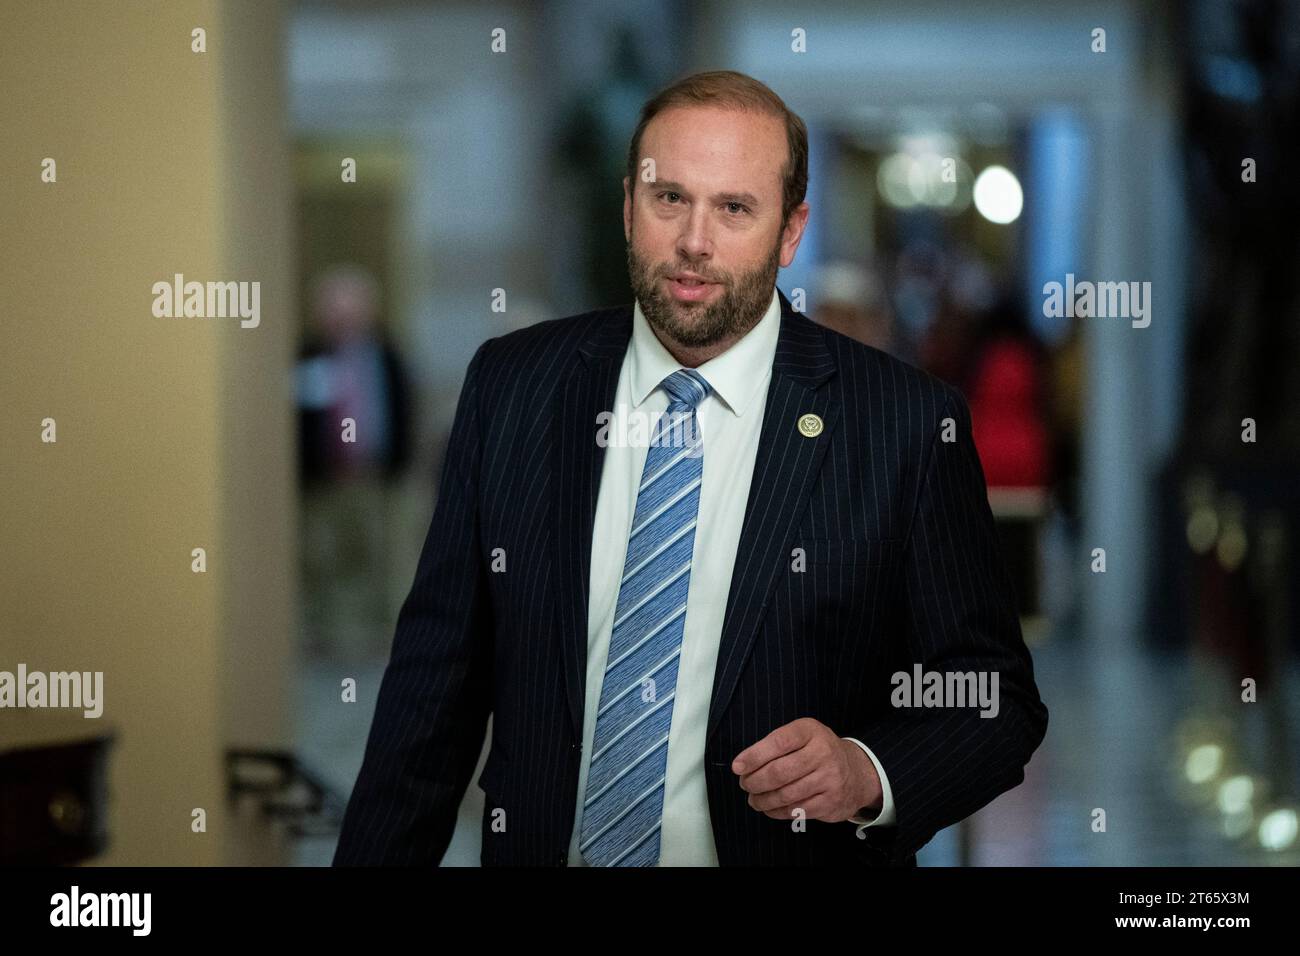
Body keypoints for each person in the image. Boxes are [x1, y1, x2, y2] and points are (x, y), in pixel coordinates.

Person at [333, 70, 1047, 867]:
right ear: (628, 208)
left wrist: (866, 770)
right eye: (669, 197)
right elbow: (429, 699)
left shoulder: (903, 424)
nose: (695, 242)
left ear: (790, 231)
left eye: (735, 208)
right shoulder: (514, 388)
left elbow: (995, 700)